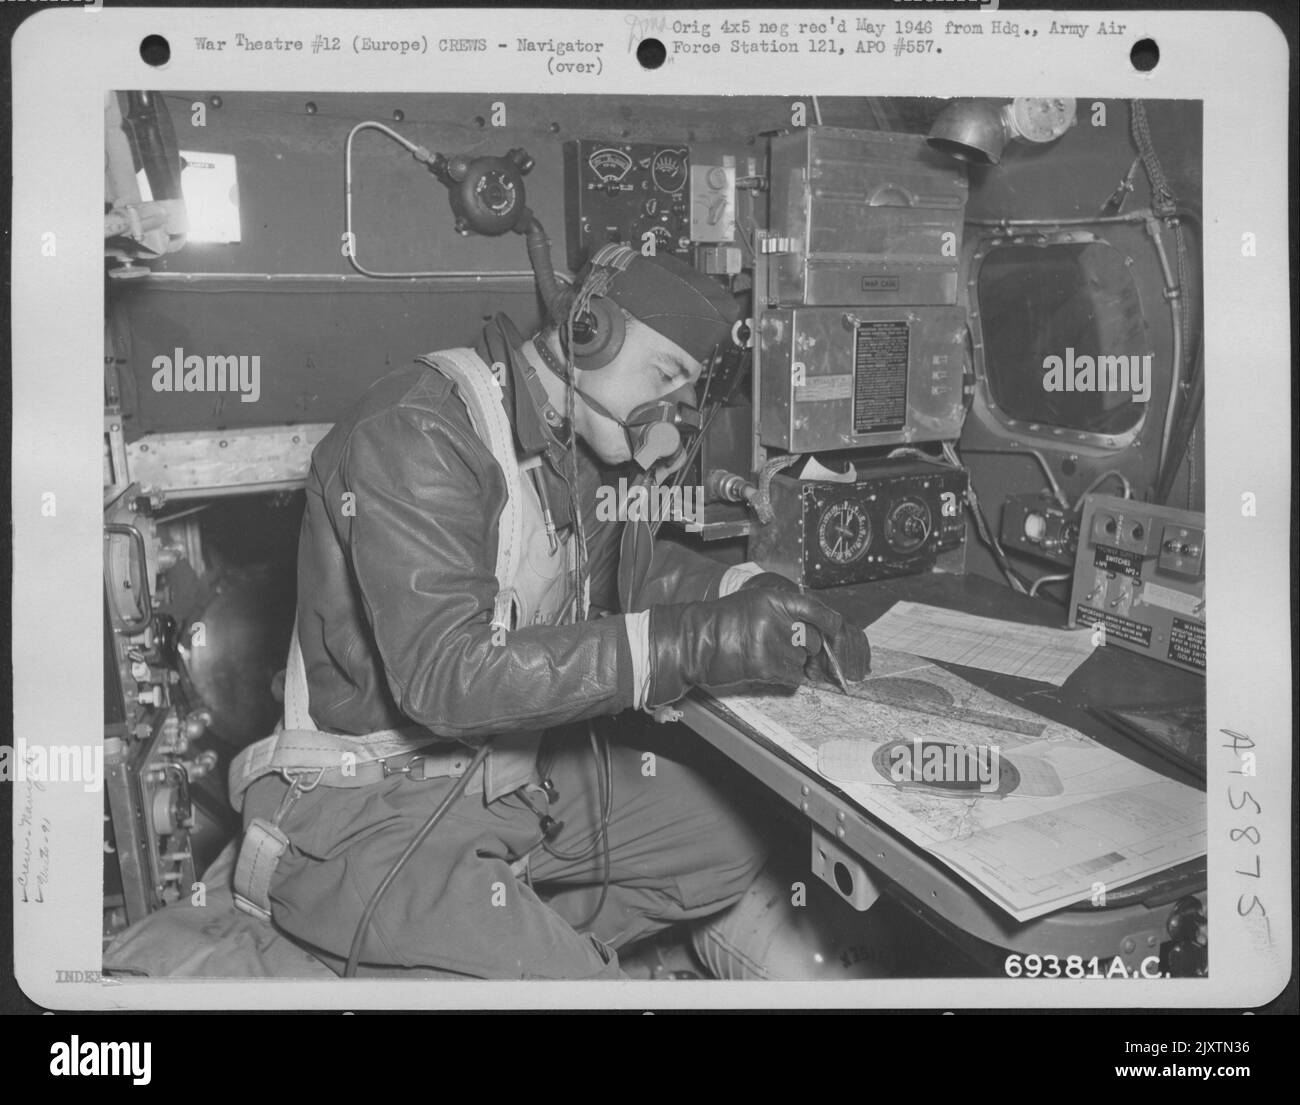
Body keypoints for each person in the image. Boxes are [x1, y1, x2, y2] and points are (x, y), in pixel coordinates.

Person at [230, 246, 871, 979]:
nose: (668, 415)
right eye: (665, 376)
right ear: (586, 328)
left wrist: (743, 593)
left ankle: (499, 937)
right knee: (582, 988)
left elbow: (622, 578)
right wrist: (692, 646)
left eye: (685, 392)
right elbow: (446, 675)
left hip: (500, 772)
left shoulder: (577, 450)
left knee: (721, 844)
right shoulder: (419, 429)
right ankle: (512, 959)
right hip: (365, 803)